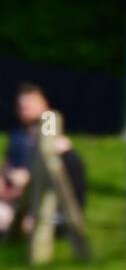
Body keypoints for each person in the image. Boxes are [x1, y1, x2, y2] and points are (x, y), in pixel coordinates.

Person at [0, 83, 85, 236]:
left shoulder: (54, 138)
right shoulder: (18, 137)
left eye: (29, 105)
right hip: (19, 200)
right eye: (21, 106)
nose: (24, 109)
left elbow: (53, 172)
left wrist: (27, 178)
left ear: (44, 104)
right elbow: (8, 166)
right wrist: (8, 176)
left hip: (51, 205)